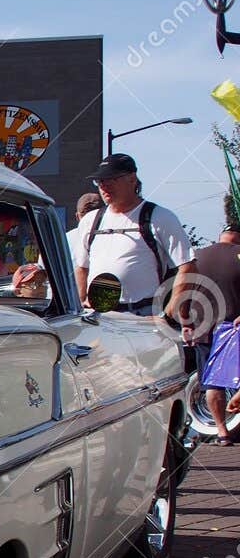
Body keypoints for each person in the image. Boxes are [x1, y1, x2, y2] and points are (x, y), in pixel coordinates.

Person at [73, 153, 193, 333]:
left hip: (143, 318)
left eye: (111, 179)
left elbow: (188, 268)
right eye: (99, 181)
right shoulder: (90, 221)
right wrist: (79, 307)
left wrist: (167, 315)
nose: (104, 186)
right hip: (97, 319)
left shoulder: (159, 217)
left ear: (132, 178)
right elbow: (82, 268)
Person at [183, 226, 240, 445]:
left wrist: (186, 322)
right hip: (233, 328)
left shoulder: (196, 256)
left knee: (212, 382)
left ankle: (222, 432)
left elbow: (182, 290)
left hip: (203, 330)